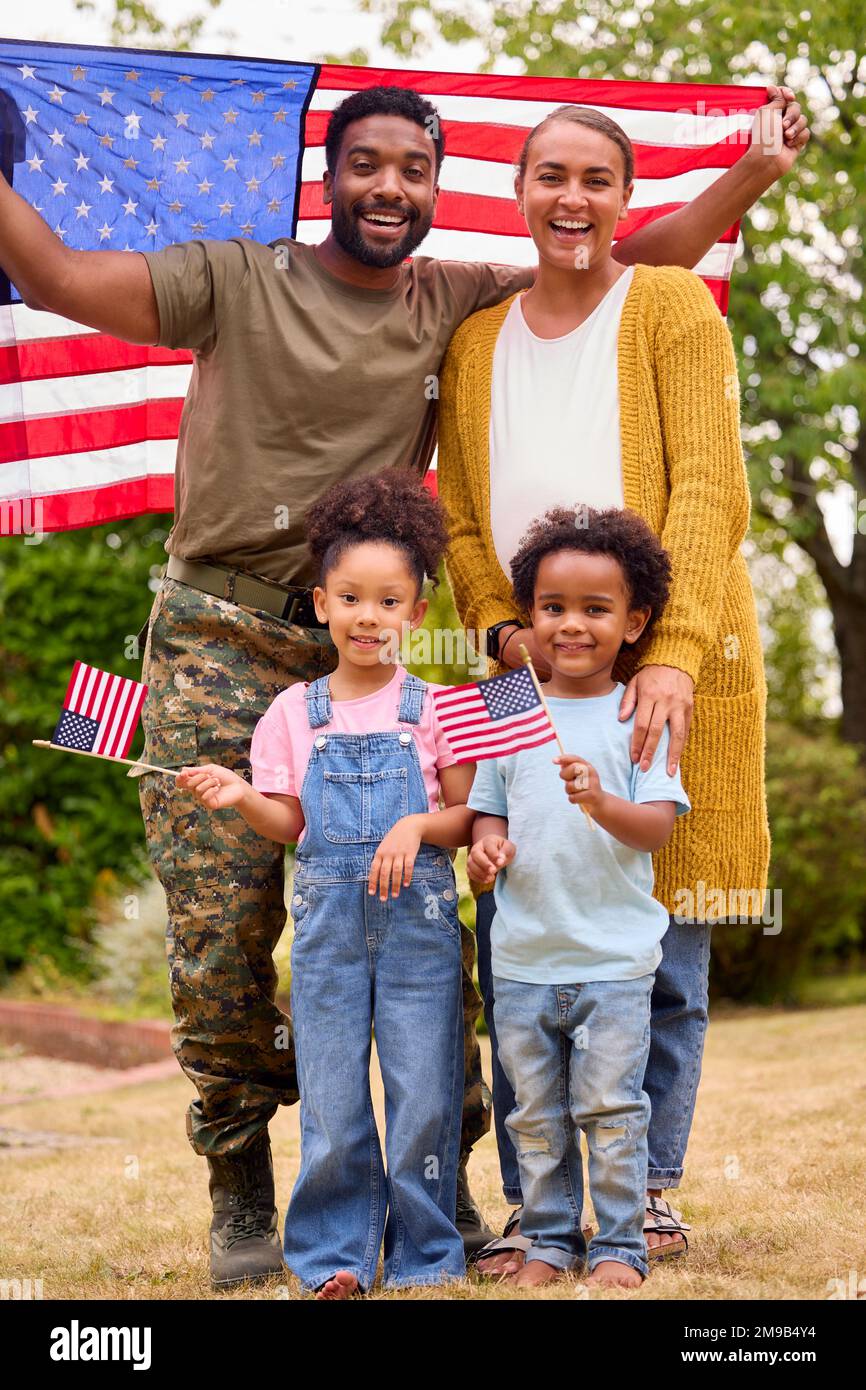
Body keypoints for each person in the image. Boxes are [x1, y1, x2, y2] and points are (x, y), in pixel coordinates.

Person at [0, 78, 807, 1285]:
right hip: (223, 636)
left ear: (438, 185)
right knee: (223, 942)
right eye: (366, 163)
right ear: (327, 172)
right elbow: (63, 278)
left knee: (433, 926)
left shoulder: (456, 298)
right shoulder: (235, 276)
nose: (389, 186)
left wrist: (744, 177)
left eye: (412, 169)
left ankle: (456, 1199)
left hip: (381, 652)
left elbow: (617, 252)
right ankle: (240, 1188)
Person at [437, 102, 775, 1271]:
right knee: (528, 920)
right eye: (548, 177)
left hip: (665, 662)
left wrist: (671, 647)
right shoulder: (475, 341)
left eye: (594, 179)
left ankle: (650, 1188)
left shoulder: (672, 308)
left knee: (663, 938)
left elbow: (705, 494)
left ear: (624, 201)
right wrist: (493, 625)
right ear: (518, 192)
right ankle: (543, 1204)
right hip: (525, 668)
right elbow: (461, 519)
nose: (570, 199)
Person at [179, 471, 474, 1297]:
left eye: (389, 602)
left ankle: (425, 1256)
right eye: (352, 599)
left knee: (422, 1095)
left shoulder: (436, 710)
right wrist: (243, 797)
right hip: (329, 936)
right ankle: (334, 1259)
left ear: (416, 613)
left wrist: (415, 827)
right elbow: (293, 822)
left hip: (417, 929)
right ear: (321, 604)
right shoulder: (291, 713)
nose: (369, 618)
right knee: (335, 1099)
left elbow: (466, 818)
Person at [466, 506, 690, 1287]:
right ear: (528, 616)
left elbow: (656, 829)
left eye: (596, 610)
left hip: (613, 960)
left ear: (634, 624)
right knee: (533, 1114)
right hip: (524, 958)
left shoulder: (640, 715)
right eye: (553, 607)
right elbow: (488, 805)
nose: (571, 625)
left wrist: (598, 801)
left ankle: (622, 1245)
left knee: (610, 1110)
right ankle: (551, 1240)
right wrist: (484, 848)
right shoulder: (507, 709)